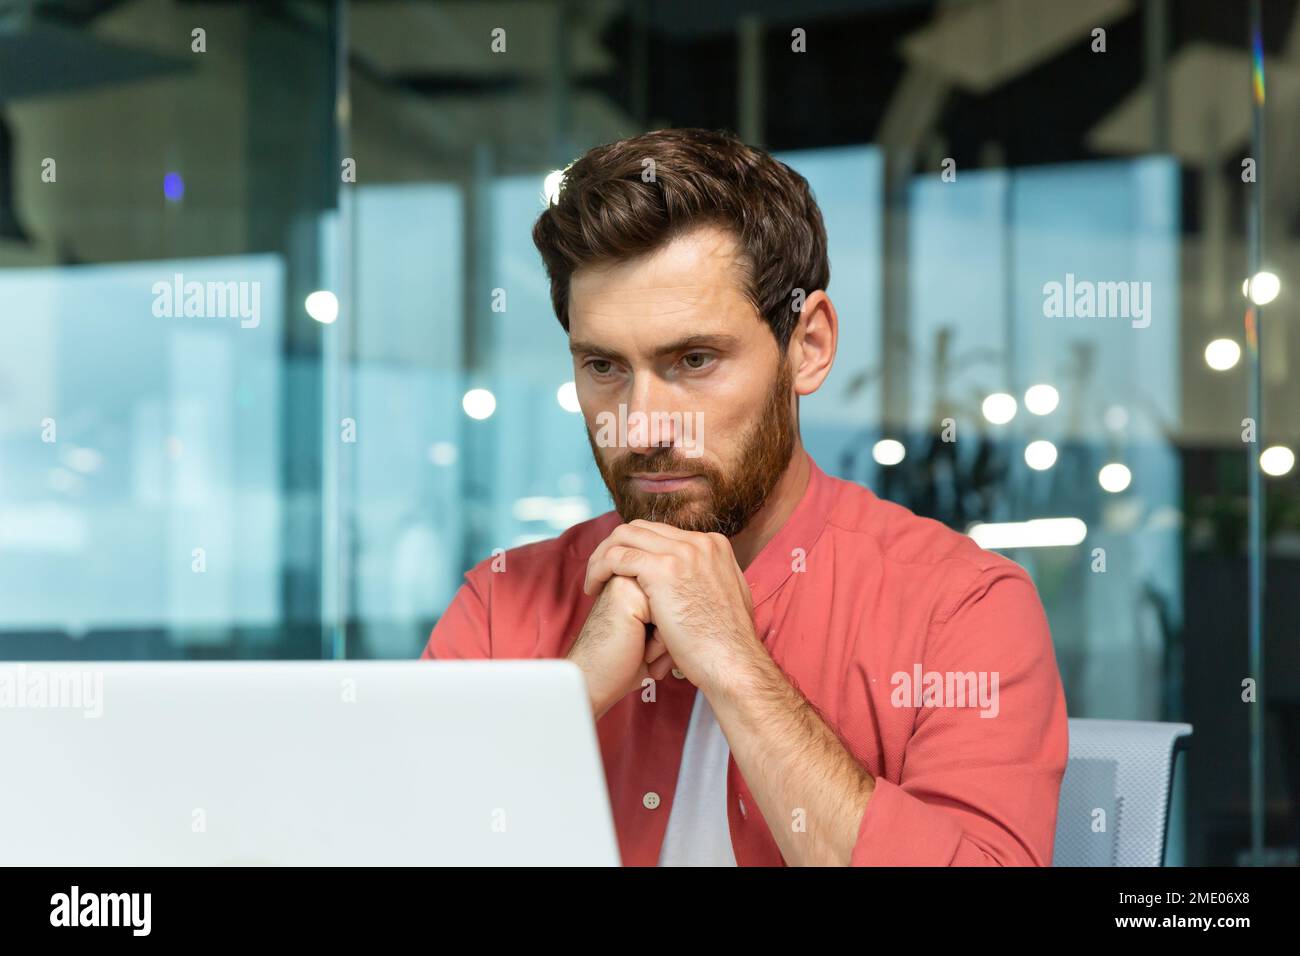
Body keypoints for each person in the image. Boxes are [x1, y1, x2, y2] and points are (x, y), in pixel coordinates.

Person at [421, 127, 1068, 866]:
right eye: (604, 366)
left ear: (809, 346)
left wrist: (735, 665)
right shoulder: (502, 604)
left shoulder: (962, 607)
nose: (641, 425)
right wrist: (568, 698)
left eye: (695, 360)